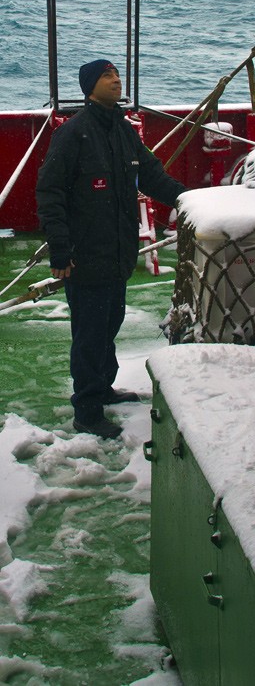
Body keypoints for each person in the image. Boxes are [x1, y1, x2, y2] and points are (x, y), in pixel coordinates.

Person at [36, 59, 188, 440]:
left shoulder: (121, 130)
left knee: (110, 323)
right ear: (90, 86)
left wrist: (186, 198)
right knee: (89, 334)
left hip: (117, 253)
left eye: (117, 74)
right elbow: (50, 192)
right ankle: (86, 409)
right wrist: (59, 250)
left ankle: (104, 387)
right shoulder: (73, 134)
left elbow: (151, 175)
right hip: (84, 254)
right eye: (107, 76)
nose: (116, 80)